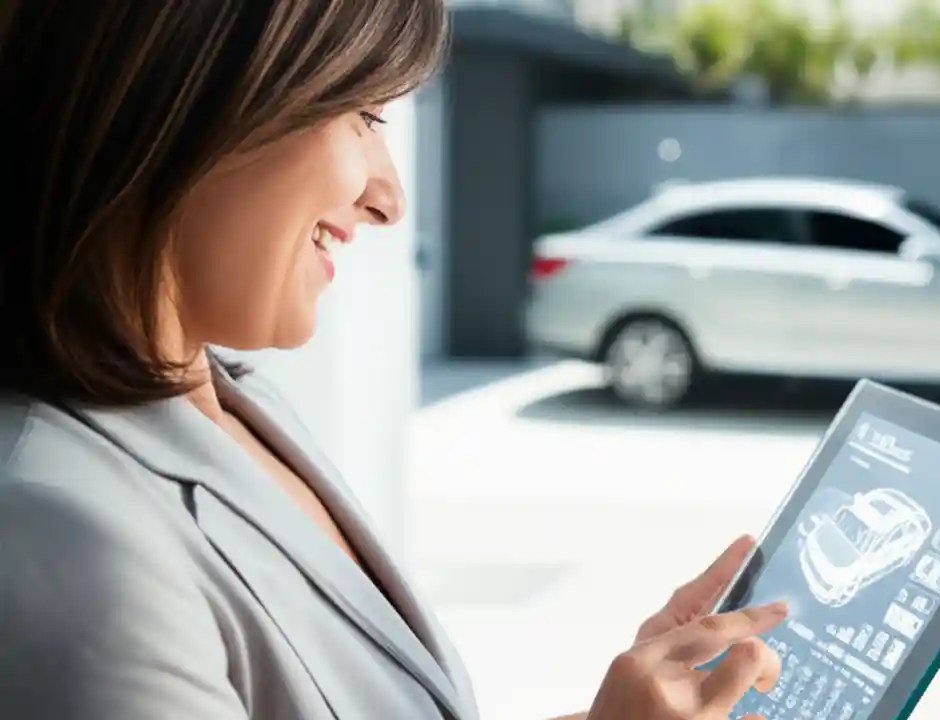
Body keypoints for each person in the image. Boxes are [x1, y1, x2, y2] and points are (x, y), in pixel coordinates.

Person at [0, 2, 786, 719]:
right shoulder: (66, 538)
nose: (389, 198)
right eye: (365, 116)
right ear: (188, 100)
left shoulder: (241, 406)